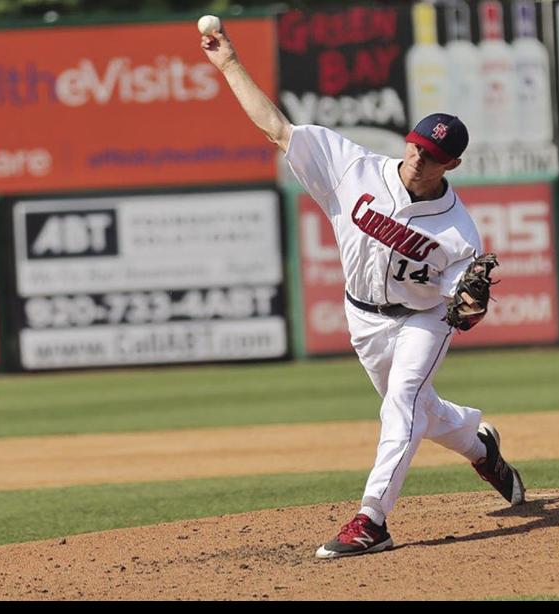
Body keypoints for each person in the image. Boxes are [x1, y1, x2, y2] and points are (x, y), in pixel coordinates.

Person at [199, 22, 526, 559]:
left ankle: (371, 519)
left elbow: (462, 307)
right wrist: (230, 63)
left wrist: (468, 308)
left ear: (453, 165)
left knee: (402, 405)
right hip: (364, 318)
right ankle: (479, 445)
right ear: (408, 140)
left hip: (422, 320)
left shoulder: (458, 233)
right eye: (418, 145)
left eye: (434, 155)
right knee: (422, 412)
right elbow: (278, 130)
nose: (421, 158)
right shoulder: (352, 167)